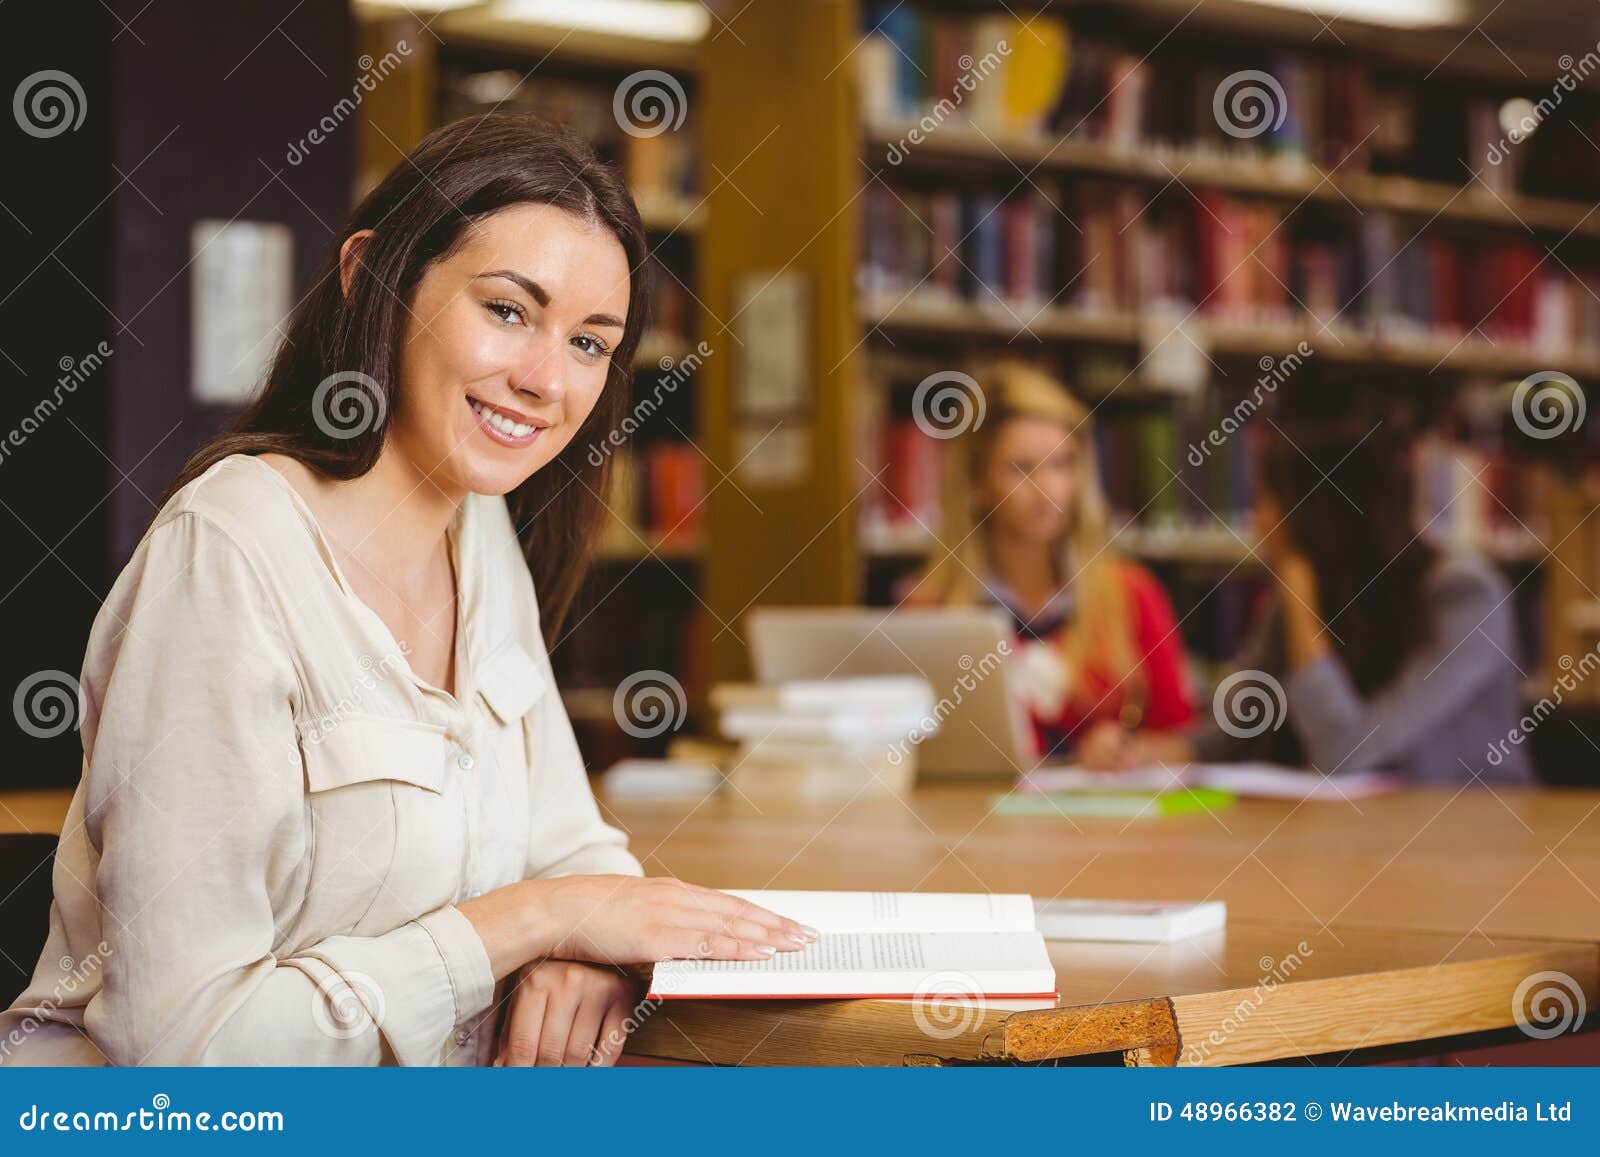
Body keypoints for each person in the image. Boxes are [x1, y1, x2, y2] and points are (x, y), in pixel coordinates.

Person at [0, 115, 816, 1068]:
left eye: (591, 343)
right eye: (508, 310)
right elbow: (186, 1048)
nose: (546, 379)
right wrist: (535, 920)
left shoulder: (478, 527)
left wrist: (588, 949)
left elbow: (573, 846)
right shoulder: (226, 555)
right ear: (371, 279)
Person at [1097, 420, 1534, 784]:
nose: (1258, 518)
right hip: (1353, 843)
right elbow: (1241, 721)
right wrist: (1157, 751)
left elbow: (1346, 754)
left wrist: (1302, 608)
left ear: (1319, 512)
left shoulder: (1464, 596)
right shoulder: (1317, 586)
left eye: (1270, 499)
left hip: (1466, 847)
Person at [900, 361, 1196, 763]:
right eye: (1021, 469)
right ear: (976, 483)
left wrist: (1132, 752)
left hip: (1104, 824)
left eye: (1063, 465)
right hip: (976, 823)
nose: (1048, 490)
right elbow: (910, 752)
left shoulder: (1132, 595)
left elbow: (1184, 743)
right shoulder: (928, 611)